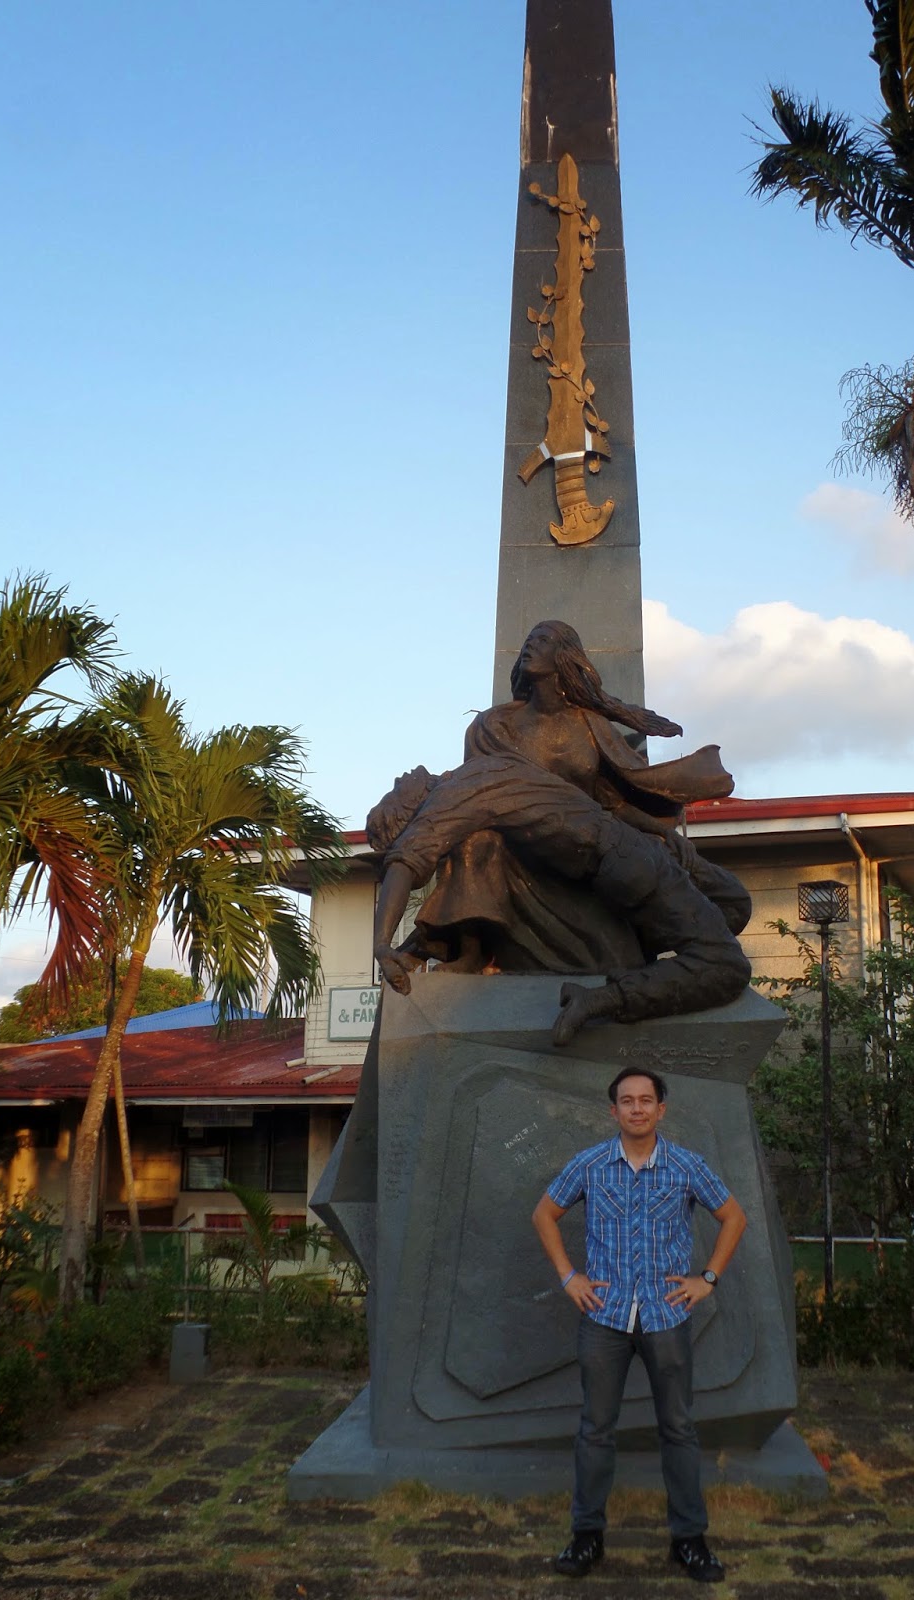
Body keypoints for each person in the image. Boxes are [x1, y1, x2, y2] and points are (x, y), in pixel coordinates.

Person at [401, 620, 746, 977]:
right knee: (477, 838)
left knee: (731, 898)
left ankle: (680, 959)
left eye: (543, 639)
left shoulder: (589, 724)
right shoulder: (493, 725)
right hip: (516, 845)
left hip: (582, 846)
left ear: (564, 656)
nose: (530, 646)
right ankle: (473, 951)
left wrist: (665, 834)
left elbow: (611, 803)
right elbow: (471, 792)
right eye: (528, 640)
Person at [366, 755, 751, 1044]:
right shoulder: (453, 796)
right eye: (393, 796)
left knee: (735, 904)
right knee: (727, 966)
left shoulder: (478, 772)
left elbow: (584, 798)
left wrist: (664, 836)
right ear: (409, 815)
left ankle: (636, 958)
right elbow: (406, 860)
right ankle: (601, 1000)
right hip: (624, 862)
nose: (400, 778)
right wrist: (384, 945)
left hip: (632, 853)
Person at [532, 1069, 747, 1581]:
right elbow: (544, 1214)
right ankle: (587, 1538)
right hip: (604, 1318)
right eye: (626, 1101)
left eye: (645, 1101)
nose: (636, 1109)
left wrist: (707, 1279)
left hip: (666, 1316)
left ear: (660, 1110)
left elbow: (734, 1216)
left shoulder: (685, 1166)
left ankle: (689, 1540)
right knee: (595, 1430)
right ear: (613, 1111)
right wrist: (569, 1278)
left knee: (677, 1428)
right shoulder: (590, 1165)